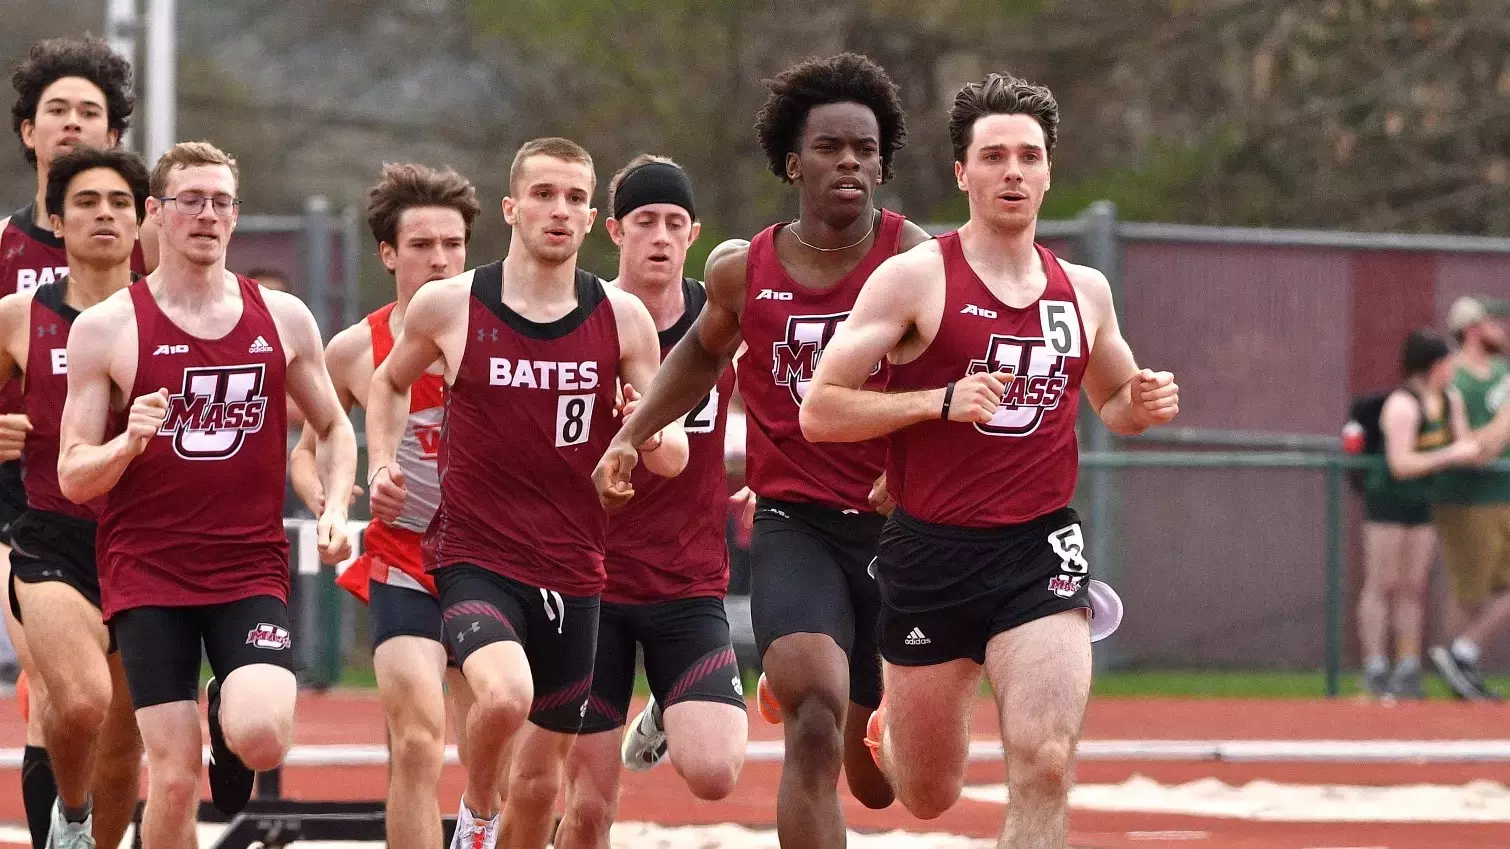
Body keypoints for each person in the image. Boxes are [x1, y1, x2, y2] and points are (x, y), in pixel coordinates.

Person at [798, 72, 1175, 848]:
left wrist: (1145, 400)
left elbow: (1115, 404)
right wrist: (937, 401)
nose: (1014, 171)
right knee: (930, 794)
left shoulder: (1086, 291)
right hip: (930, 552)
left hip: (1037, 549)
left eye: (1029, 156)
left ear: (1048, 170)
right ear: (963, 173)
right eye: (995, 155)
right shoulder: (914, 278)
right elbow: (821, 409)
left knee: (1044, 758)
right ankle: (889, 736)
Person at [595, 53, 932, 849]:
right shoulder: (744, 269)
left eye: (864, 147)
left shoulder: (915, 259)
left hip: (898, 530)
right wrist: (630, 432)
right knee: (812, 722)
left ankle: (852, 694)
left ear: (882, 160)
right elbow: (702, 356)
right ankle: (799, 674)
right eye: (829, 147)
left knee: (882, 786)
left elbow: (956, 376)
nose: (849, 160)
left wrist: (912, 466)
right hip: (796, 525)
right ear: (792, 161)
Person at [365, 137, 686, 849]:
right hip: (475, 552)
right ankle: (476, 813)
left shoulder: (622, 316)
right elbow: (387, 380)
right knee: (505, 696)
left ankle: (502, 816)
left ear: (591, 212)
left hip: (574, 564)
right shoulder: (452, 305)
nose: (560, 211)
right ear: (512, 207)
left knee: (541, 788)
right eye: (544, 194)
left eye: (575, 197)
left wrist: (639, 433)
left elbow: (672, 451)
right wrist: (381, 460)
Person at [56, 141, 356, 849]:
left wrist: (337, 503)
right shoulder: (107, 328)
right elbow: (73, 472)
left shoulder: (282, 319)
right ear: (155, 215)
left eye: (221, 202)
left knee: (261, 737)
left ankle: (229, 704)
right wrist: (126, 445)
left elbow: (335, 426)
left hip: (247, 566)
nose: (207, 214)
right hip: (147, 570)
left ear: (236, 216)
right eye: (190, 199)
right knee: (174, 774)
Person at [550, 155, 745, 849]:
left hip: (687, 581)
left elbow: (775, 407)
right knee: (589, 809)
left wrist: (762, 476)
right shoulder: (579, 319)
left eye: (673, 223)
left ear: (693, 233)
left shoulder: (720, 323)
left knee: (717, 770)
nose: (659, 236)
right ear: (614, 231)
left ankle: (669, 703)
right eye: (644, 222)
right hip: (587, 585)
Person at [289, 161, 480, 849]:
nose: (440, 258)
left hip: (494, 565)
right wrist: (331, 505)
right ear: (389, 253)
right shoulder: (352, 351)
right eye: (423, 244)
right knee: (419, 744)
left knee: (502, 753)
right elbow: (307, 452)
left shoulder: (500, 332)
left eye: (454, 244)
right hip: (403, 562)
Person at [1, 38, 141, 847]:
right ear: (28, 131)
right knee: (60, 691)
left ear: (114, 136)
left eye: (90, 112)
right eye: (57, 111)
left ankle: (85, 824)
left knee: (112, 718)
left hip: (127, 503)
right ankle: (68, 829)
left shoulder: (143, 248)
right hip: (21, 500)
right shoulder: (7, 254)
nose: (73, 124)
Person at [1357, 329, 1481, 700]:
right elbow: (1400, 463)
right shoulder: (1402, 404)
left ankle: (1407, 665)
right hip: (1389, 502)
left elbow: (1466, 443)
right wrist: (1449, 456)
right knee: (1382, 583)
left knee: (1413, 587)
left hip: (1422, 501)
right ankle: (1375, 665)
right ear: (1431, 365)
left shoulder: (1449, 399)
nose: (1452, 370)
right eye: (1446, 363)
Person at [1430, 297, 1510, 700]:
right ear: (1474, 329)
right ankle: (1454, 665)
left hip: (1505, 494)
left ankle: (1462, 653)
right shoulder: (1454, 380)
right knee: (1470, 589)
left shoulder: (1503, 372)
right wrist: (1505, 424)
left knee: (1502, 587)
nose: (1503, 327)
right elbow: (1474, 451)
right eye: (1495, 321)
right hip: (1467, 498)